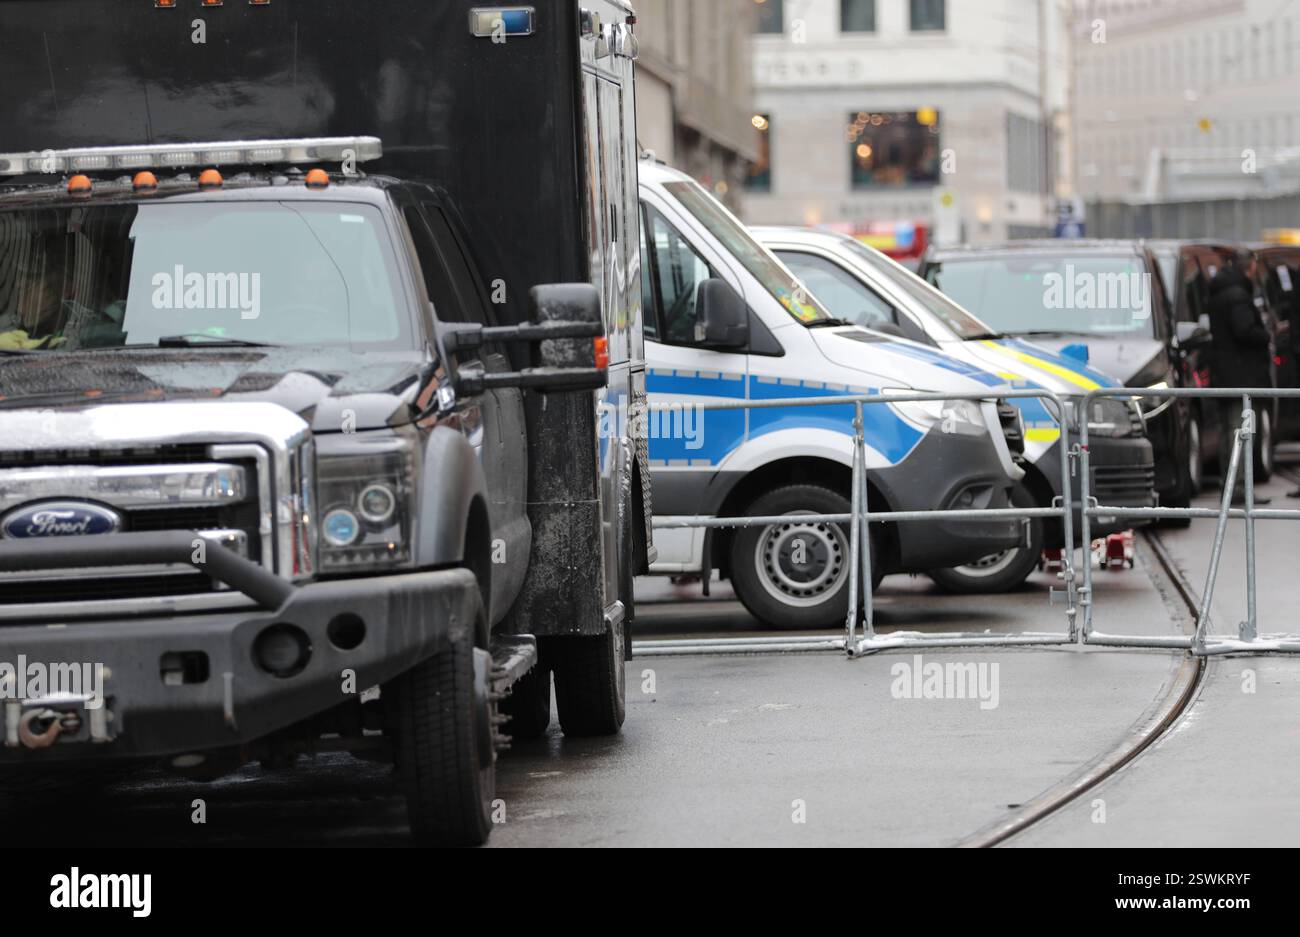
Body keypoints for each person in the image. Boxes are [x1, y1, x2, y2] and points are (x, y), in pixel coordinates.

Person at [1207, 249, 1273, 505]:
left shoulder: (1220, 290)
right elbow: (1244, 330)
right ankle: (1239, 489)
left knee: (1229, 432)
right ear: (1251, 266)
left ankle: (1230, 485)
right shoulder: (1237, 295)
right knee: (1242, 431)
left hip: (1225, 373)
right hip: (1241, 375)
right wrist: (1266, 334)